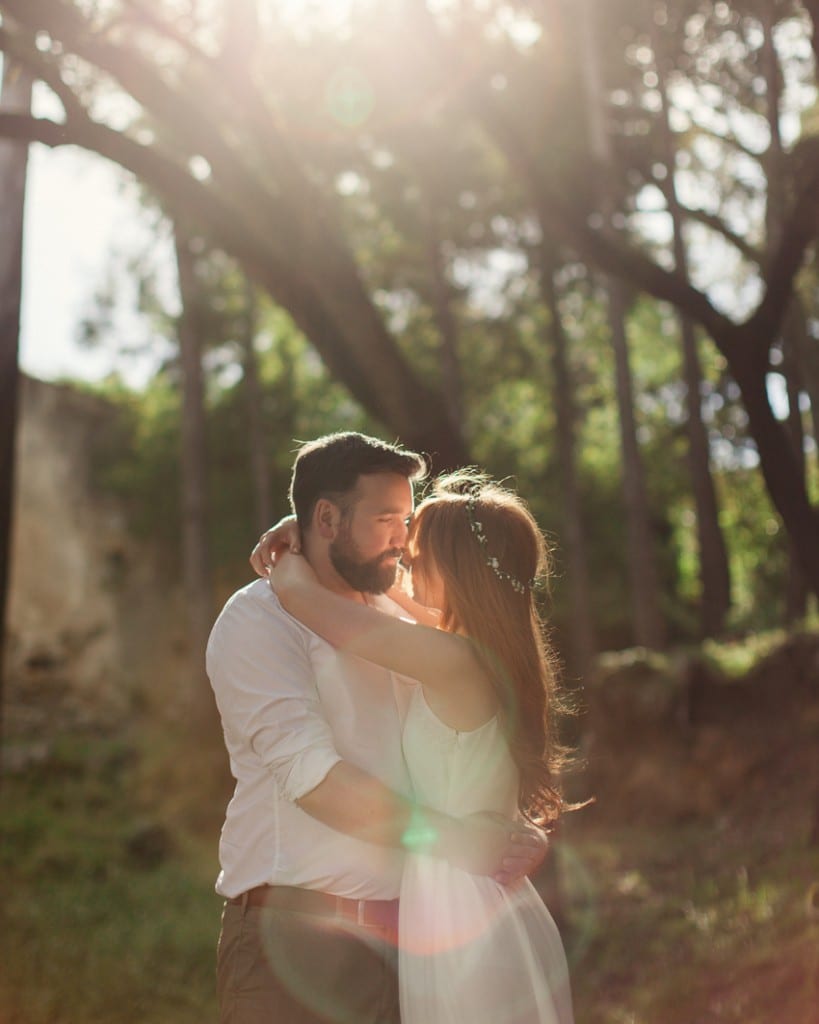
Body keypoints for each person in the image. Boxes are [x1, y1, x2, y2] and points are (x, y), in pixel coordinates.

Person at [206, 432, 547, 1024]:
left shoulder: (407, 622)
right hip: (297, 943)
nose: (403, 541)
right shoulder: (258, 620)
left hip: (411, 943)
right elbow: (315, 782)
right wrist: (461, 838)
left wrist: (513, 832)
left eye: (408, 520)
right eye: (388, 518)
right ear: (328, 517)